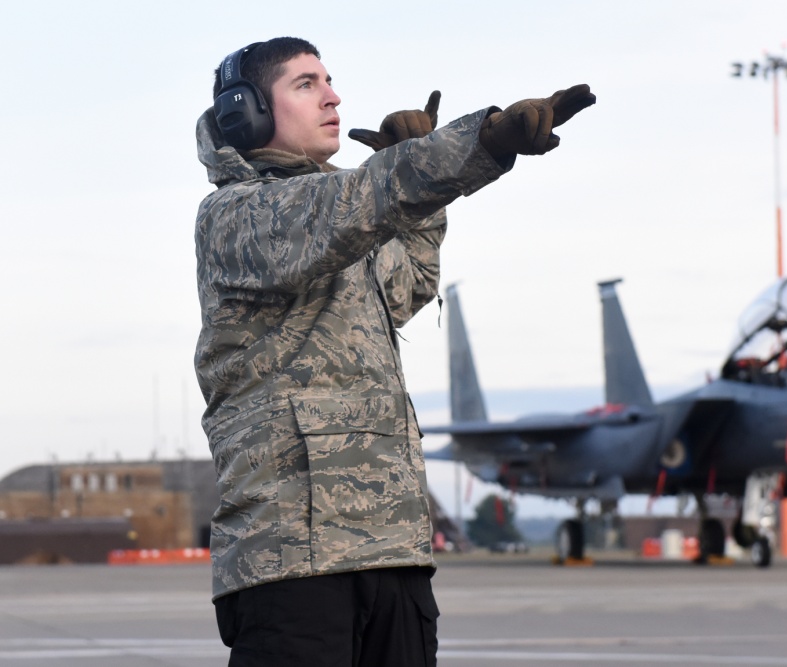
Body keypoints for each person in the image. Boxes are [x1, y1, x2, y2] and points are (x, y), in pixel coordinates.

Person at [194, 36, 594, 666]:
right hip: (294, 560)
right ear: (249, 113)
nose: (333, 96)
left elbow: (409, 281)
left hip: (392, 550)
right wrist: (478, 143)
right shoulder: (238, 216)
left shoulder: (345, 216)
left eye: (329, 79)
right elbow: (356, 203)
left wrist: (423, 194)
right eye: (306, 84)